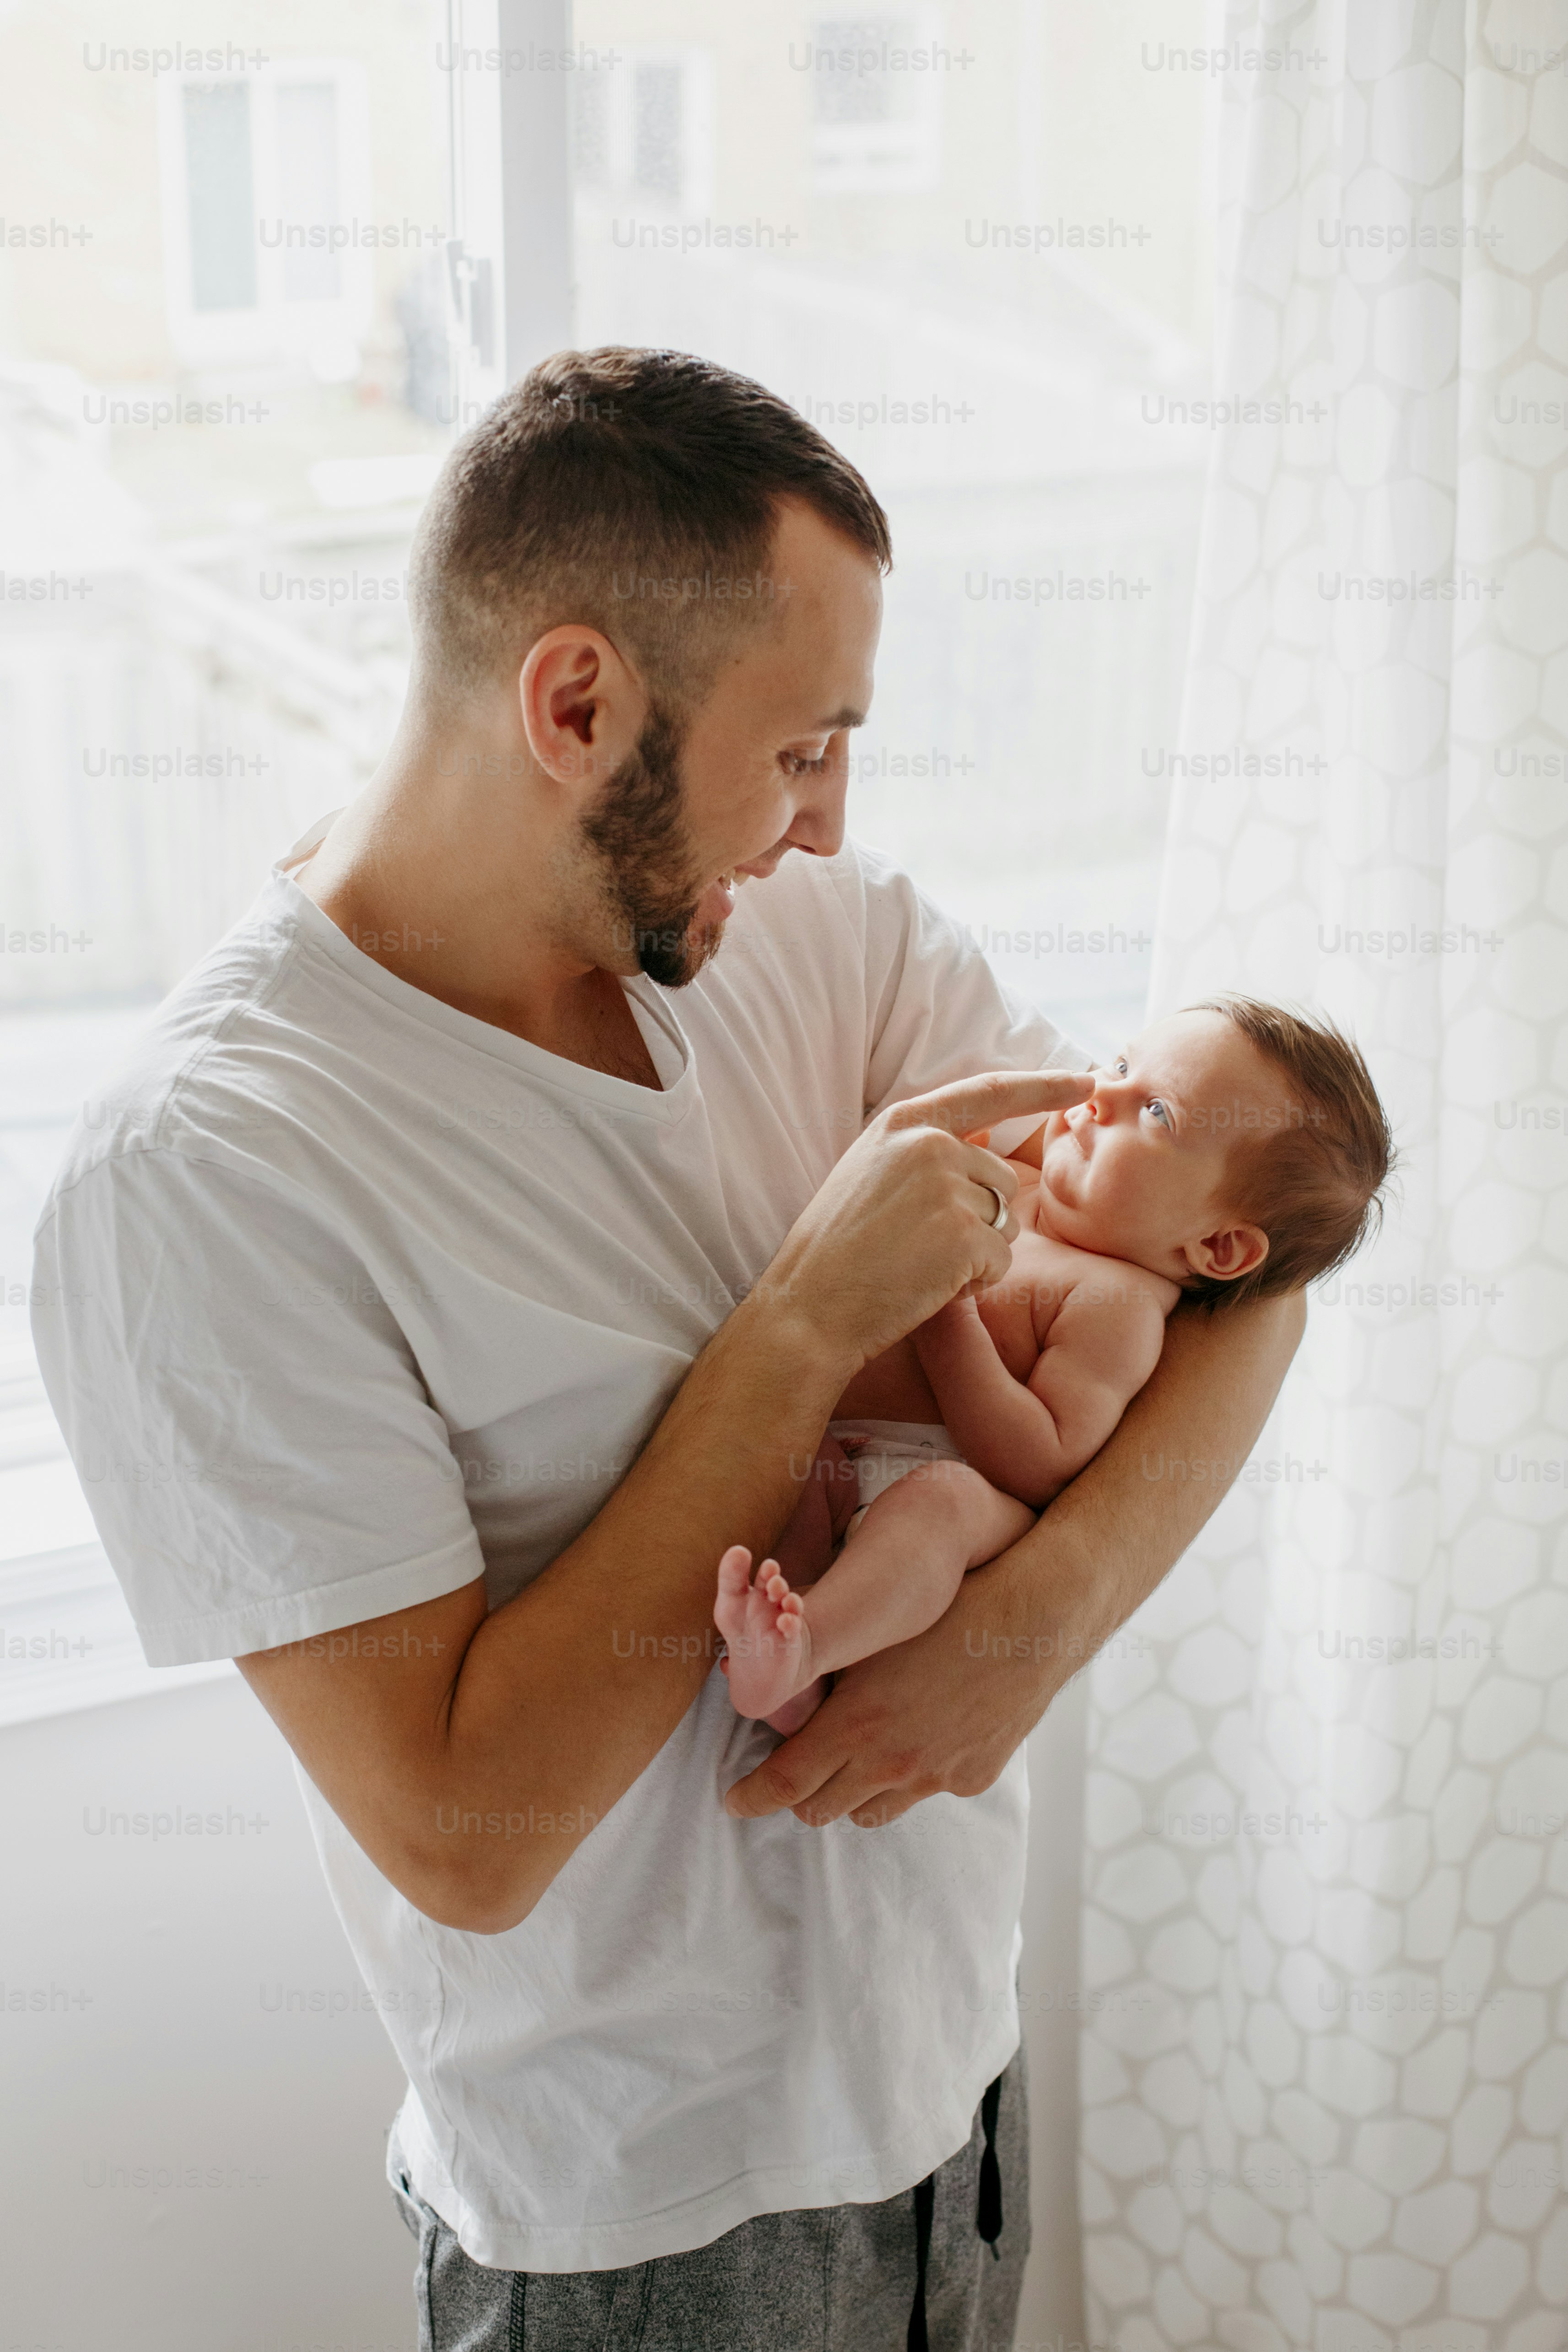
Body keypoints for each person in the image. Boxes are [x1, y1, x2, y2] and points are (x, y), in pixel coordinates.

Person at [31, 347, 1304, 2352]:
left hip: (950, 2099)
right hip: (644, 2231)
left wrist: (1036, 1621)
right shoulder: (209, 1171)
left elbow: (1241, 1268)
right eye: (798, 750)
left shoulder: (821, 934)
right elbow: (460, 1834)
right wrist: (798, 1329)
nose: (826, 824)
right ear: (574, 705)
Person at [717, 999, 1393, 1731]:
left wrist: (951, 1322)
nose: (1103, 1094)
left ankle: (813, 1645)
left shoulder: (1117, 1303)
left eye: (1157, 1113)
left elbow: (1040, 1461)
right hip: (841, 1447)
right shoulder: (1018, 1181)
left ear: (1219, 1246)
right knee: (797, 1471)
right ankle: (782, 1641)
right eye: (1123, 1064)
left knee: (938, 1508)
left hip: (953, 1481)